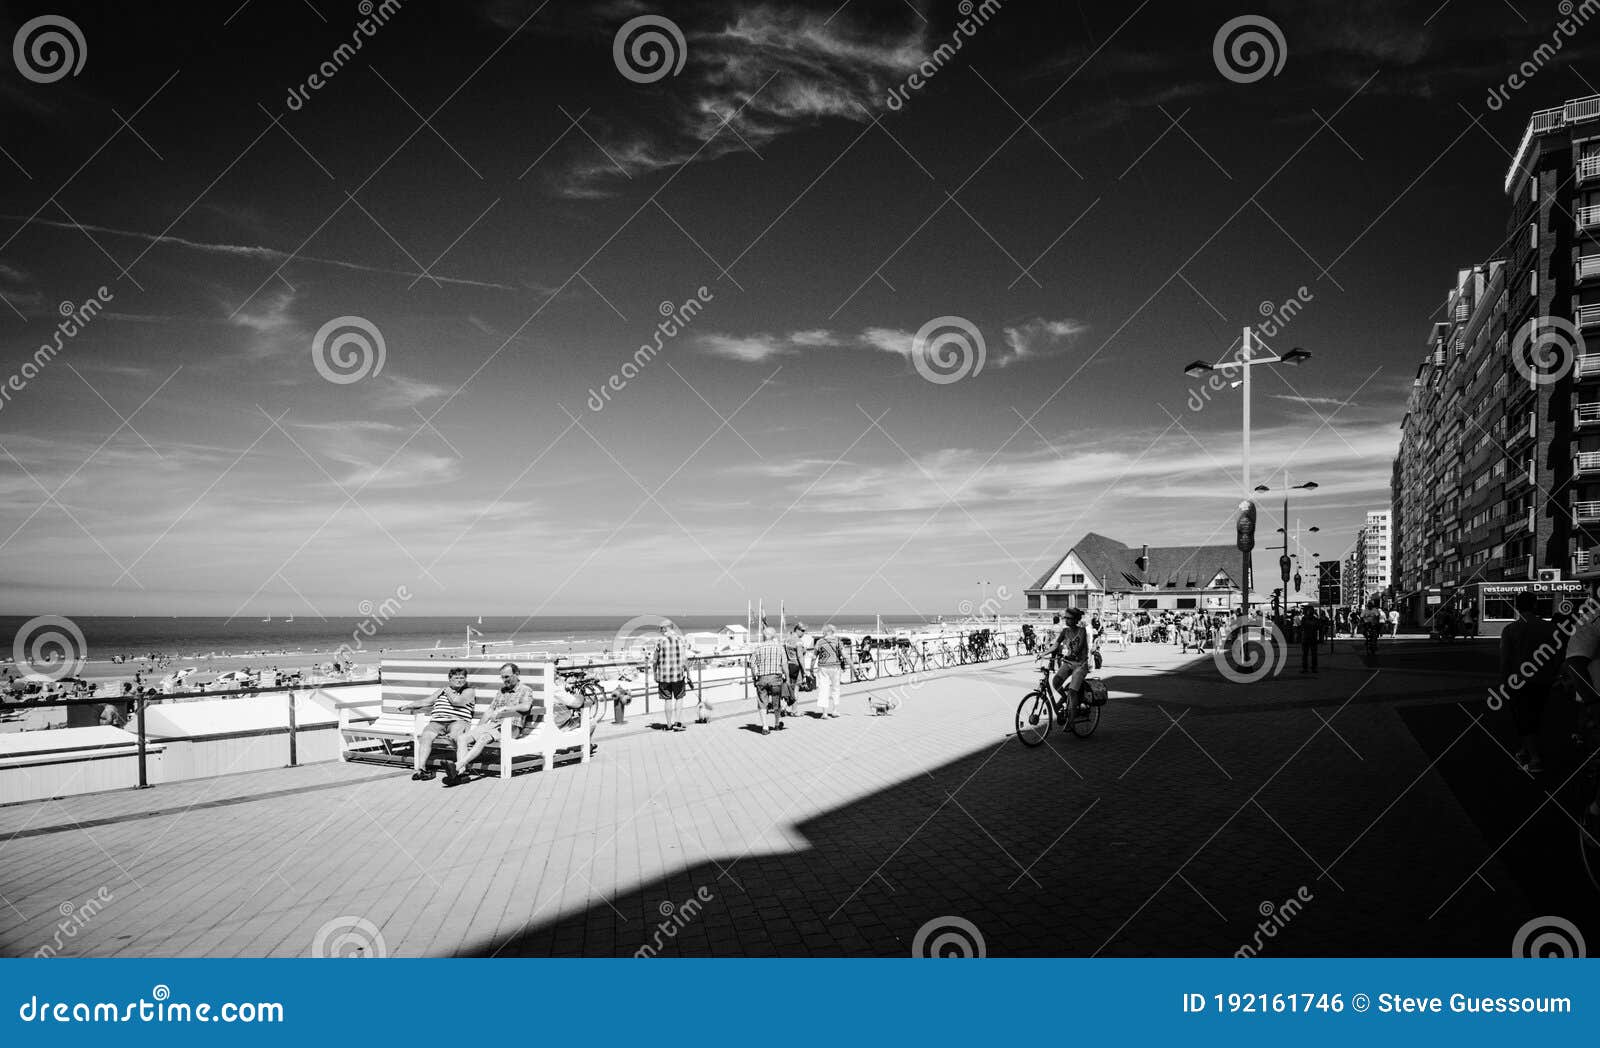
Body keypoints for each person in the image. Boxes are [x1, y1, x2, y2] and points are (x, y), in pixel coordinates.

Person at [448, 662, 538, 786]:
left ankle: (457, 766)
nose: (504, 680)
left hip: (511, 727)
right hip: (494, 725)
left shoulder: (525, 689)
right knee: (462, 738)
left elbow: (526, 706)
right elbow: (490, 710)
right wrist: (478, 728)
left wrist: (507, 708)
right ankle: (460, 774)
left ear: (517, 674)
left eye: (507, 677)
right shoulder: (501, 691)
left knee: (484, 738)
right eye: (502, 677)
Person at [1500, 592, 1560, 774]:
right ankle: (1526, 749)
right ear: (1535, 606)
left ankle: (1535, 759)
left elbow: (1505, 660)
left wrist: (1505, 682)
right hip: (1543, 679)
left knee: (1523, 717)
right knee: (1536, 714)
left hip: (1519, 680)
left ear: (1517, 607)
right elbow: (1557, 655)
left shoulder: (1510, 630)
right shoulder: (1548, 628)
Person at [400, 666, 475, 781]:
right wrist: (408, 705)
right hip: (437, 722)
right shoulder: (441, 691)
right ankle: (421, 769)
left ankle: (461, 770)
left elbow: (457, 701)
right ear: (449, 679)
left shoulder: (468, 691)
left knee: (456, 737)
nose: (459, 680)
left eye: (462, 678)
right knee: (425, 736)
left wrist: (448, 690)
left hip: (458, 721)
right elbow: (426, 701)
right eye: (456, 678)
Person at [650, 621, 693, 732]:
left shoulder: (659, 641)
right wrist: (688, 674)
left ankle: (669, 725)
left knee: (667, 700)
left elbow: (654, 661)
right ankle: (677, 723)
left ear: (666, 628)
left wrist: (654, 673)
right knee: (679, 698)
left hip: (664, 677)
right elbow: (684, 659)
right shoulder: (680, 640)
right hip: (678, 675)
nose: (661, 631)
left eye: (661, 628)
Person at [1048, 607, 1090, 715]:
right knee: (1056, 682)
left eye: (1069, 618)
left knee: (1072, 691)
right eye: (1065, 618)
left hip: (1080, 664)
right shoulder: (1065, 631)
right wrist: (1042, 654)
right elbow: (1055, 645)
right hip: (1069, 663)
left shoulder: (1082, 631)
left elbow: (1078, 648)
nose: (1066, 620)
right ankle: (1066, 698)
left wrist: (1067, 655)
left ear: (1076, 619)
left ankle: (1071, 721)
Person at [748, 626, 788, 735]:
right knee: (776, 701)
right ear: (774, 635)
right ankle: (776, 724)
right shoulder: (780, 647)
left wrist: (753, 677)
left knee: (762, 702)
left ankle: (765, 727)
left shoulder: (758, 647)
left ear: (764, 636)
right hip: (776, 678)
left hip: (762, 678)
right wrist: (787, 677)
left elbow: (752, 664)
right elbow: (784, 664)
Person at [811, 624, 850, 719]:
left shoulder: (819, 642)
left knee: (823, 689)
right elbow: (845, 655)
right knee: (836, 688)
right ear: (833, 631)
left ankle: (824, 713)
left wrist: (811, 668)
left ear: (824, 632)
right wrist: (853, 667)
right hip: (835, 667)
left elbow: (814, 657)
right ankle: (835, 711)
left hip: (823, 667)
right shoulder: (837, 641)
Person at [1298, 607, 1322, 674]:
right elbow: (1318, 627)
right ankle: (1312, 668)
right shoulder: (1315, 619)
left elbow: (1302, 627)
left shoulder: (1305, 619)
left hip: (1307, 638)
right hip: (1311, 638)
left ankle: (1307, 668)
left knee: (1306, 654)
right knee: (1311, 654)